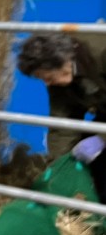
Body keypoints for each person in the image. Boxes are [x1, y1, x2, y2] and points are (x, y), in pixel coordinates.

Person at [17, 32, 106, 199]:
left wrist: (102, 138)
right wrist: (57, 167)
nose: (47, 84)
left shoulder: (101, 53)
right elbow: (63, 125)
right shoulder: (60, 78)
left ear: (63, 62)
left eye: (49, 78)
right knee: (89, 159)